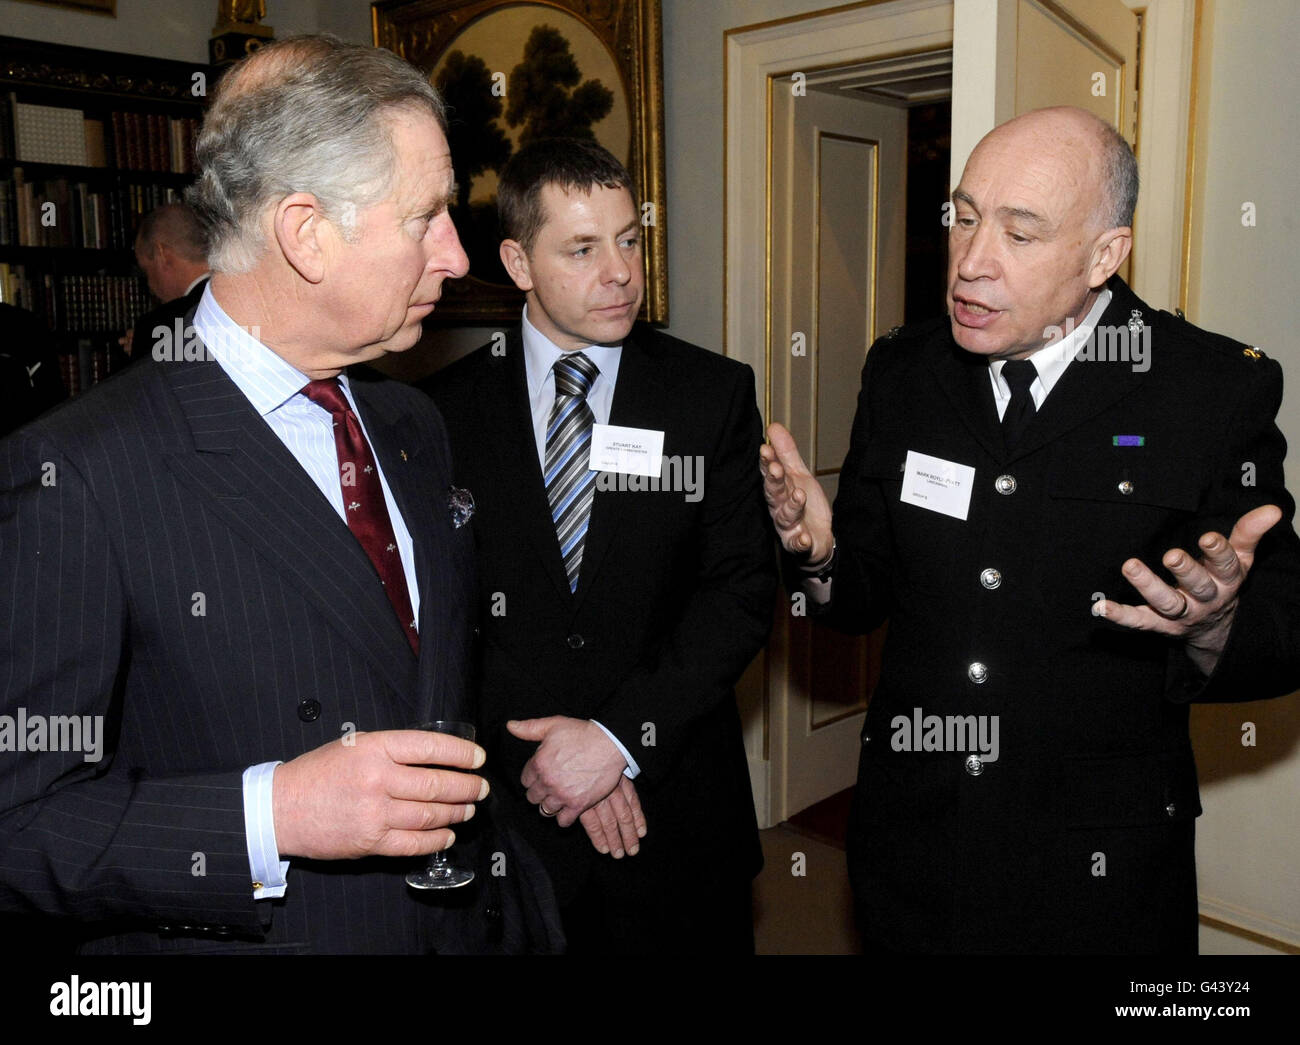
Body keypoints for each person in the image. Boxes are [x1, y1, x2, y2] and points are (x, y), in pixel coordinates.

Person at [760, 106, 1300, 954]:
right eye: (965, 218)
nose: (972, 263)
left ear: (1104, 255)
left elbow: (1284, 627)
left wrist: (1217, 620)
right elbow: (861, 597)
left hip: (1096, 866)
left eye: (1021, 233)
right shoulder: (904, 369)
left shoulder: (1208, 387)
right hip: (915, 842)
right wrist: (819, 554)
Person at [0, 35, 490, 955]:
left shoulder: (412, 423)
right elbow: (17, 827)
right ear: (306, 233)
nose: (457, 257)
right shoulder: (80, 473)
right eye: (425, 217)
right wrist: (273, 813)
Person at [425, 138, 776, 953]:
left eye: (629, 239)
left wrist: (617, 740)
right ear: (517, 261)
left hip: (680, 813)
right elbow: (444, 619)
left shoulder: (711, 394)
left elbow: (741, 592)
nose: (619, 271)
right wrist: (552, 760)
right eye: (582, 248)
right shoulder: (440, 414)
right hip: (516, 819)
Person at [123, 202, 211, 362]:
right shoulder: (249, 302)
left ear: (162, 255)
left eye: (146, 271)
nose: (149, 285)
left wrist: (144, 352)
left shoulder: (158, 326)